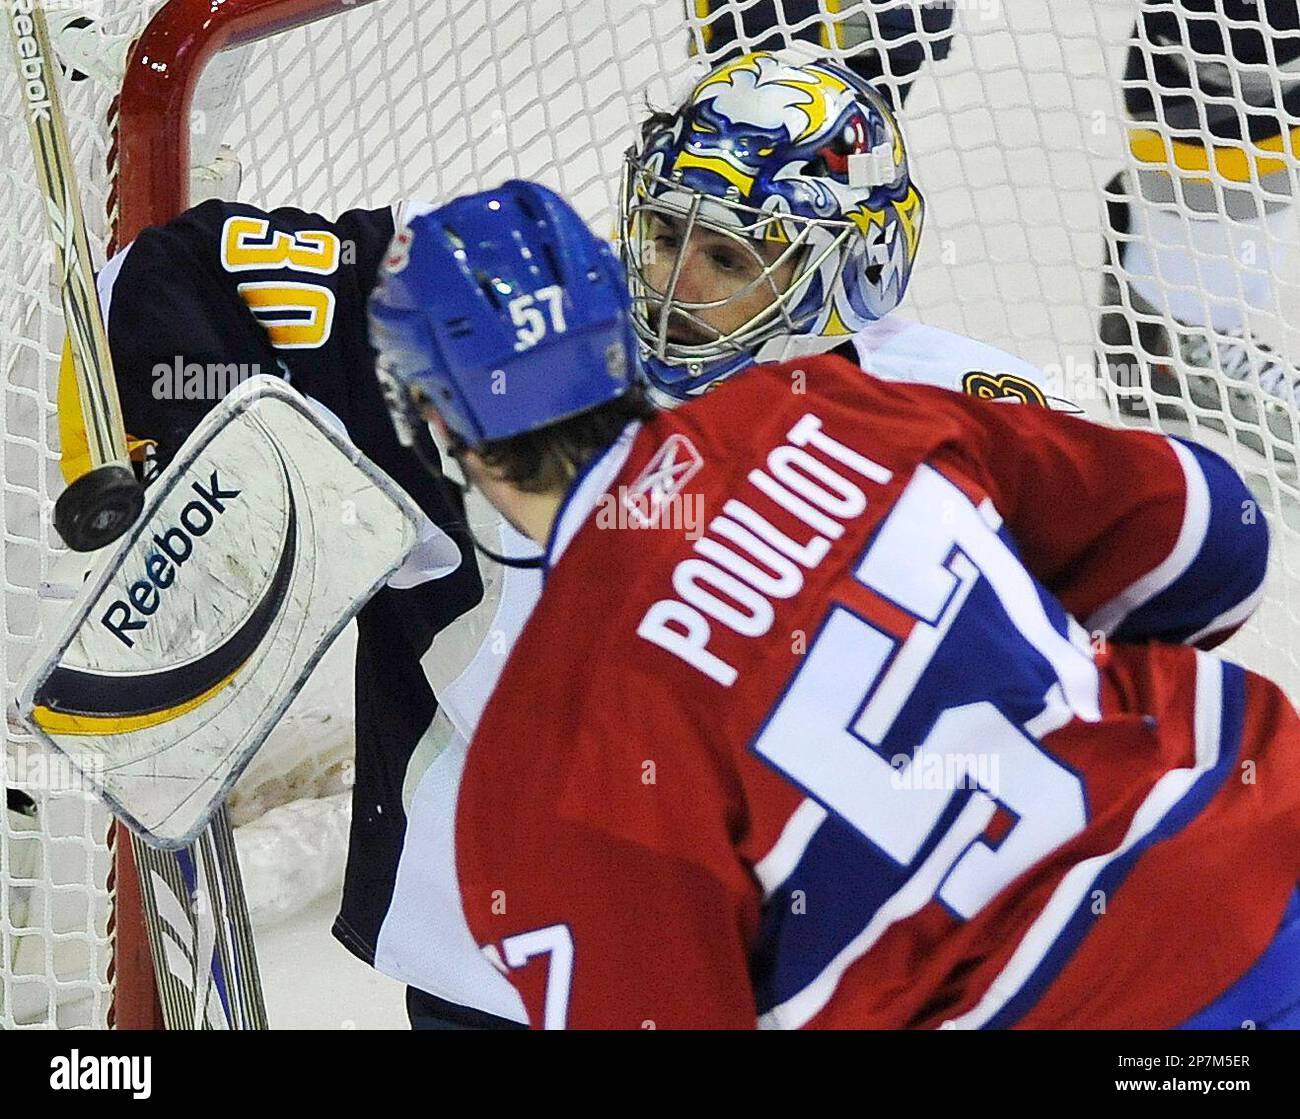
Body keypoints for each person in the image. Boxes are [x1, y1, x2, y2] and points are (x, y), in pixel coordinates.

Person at [370, 178, 1300, 1029]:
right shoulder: (840, 406)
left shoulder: (541, 761)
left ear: (436, 419)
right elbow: (1220, 539)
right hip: (1267, 849)